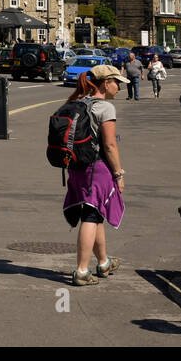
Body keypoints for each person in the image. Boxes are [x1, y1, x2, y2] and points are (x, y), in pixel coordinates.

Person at [63, 64, 126, 286]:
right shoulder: (105, 108)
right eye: (117, 82)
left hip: (77, 167)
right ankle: (81, 270)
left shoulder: (77, 103)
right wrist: (118, 174)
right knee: (90, 215)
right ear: (105, 83)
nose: (119, 87)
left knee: (95, 211)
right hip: (96, 169)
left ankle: (103, 262)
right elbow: (109, 145)